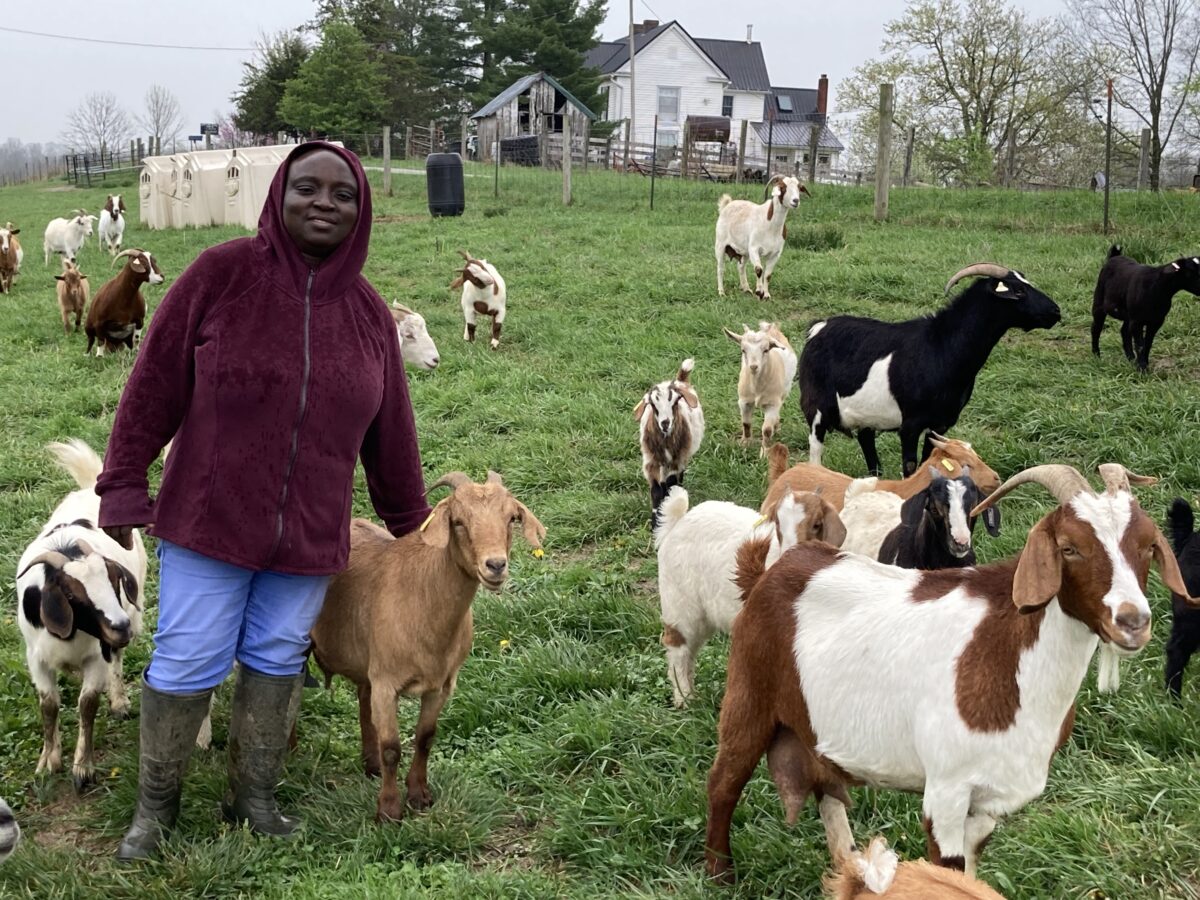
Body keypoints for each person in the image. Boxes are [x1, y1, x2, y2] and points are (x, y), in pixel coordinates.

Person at [96, 141, 432, 861]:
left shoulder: (370, 315)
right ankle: (155, 810)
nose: (324, 203)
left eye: (342, 194)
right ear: (278, 196)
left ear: (360, 211)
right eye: (307, 187)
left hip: (311, 534)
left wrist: (414, 528)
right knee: (188, 658)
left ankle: (254, 796)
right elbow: (153, 383)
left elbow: (392, 433)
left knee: (278, 656)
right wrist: (123, 481)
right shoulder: (222, 275)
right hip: (209, 520)